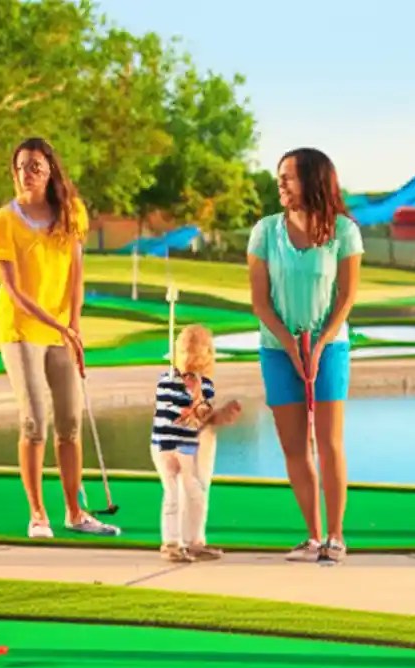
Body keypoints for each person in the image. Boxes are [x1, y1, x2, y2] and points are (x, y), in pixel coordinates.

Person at [0, 137, 118, 538]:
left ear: (50, 171)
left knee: (69, 423)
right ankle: (38, 514)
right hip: (21, 330)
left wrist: (73, 328)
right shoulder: (4, 220)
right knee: (34, 423)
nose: (26, 174)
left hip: (61, 331)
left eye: (35, 167)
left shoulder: (72, 212)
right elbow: (13, 290)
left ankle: (75, 513)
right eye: (21, 167)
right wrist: (60, 326)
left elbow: (76, 275)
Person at [246, 147, 363, 564]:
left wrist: (320, 344)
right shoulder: (264, 232)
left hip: (330, 347)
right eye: (279, 175)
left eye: (289, 176)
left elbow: (346, 297)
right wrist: (292, 347)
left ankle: (336, 536)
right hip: (277, 349)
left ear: (313, 180)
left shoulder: (345, 232)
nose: (280, 183)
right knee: (295, 446)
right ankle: (313, 537)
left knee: (329, 443)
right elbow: (260, 303)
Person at [149, 325, 242, 562]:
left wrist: (214, 412)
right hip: (167, 444)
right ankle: (171, 543)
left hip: (186, 444)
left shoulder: (205, 385)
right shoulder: (167, 381)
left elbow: (202, 413)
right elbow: (191, 414)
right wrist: (208, 410)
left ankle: (193, 542)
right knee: (173, 494)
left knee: (194, 493)